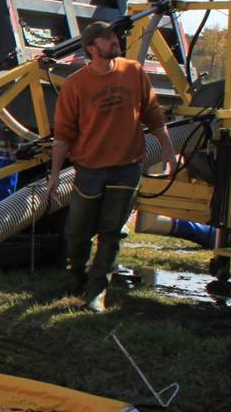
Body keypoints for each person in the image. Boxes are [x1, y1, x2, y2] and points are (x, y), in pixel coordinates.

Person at [46, 21, 177, 311]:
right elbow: (63, 135)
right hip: (89, 169)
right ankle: (76, 277)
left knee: (111, 232)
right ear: (92, 48)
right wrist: (55, 175)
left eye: (114, 35)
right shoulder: (75, 85)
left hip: (127, 167)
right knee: (78, 231)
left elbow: (153, 116)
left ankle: (97, 291)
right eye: (107, 38)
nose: (114, 40)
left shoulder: (133, 72)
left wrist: (169, 152)